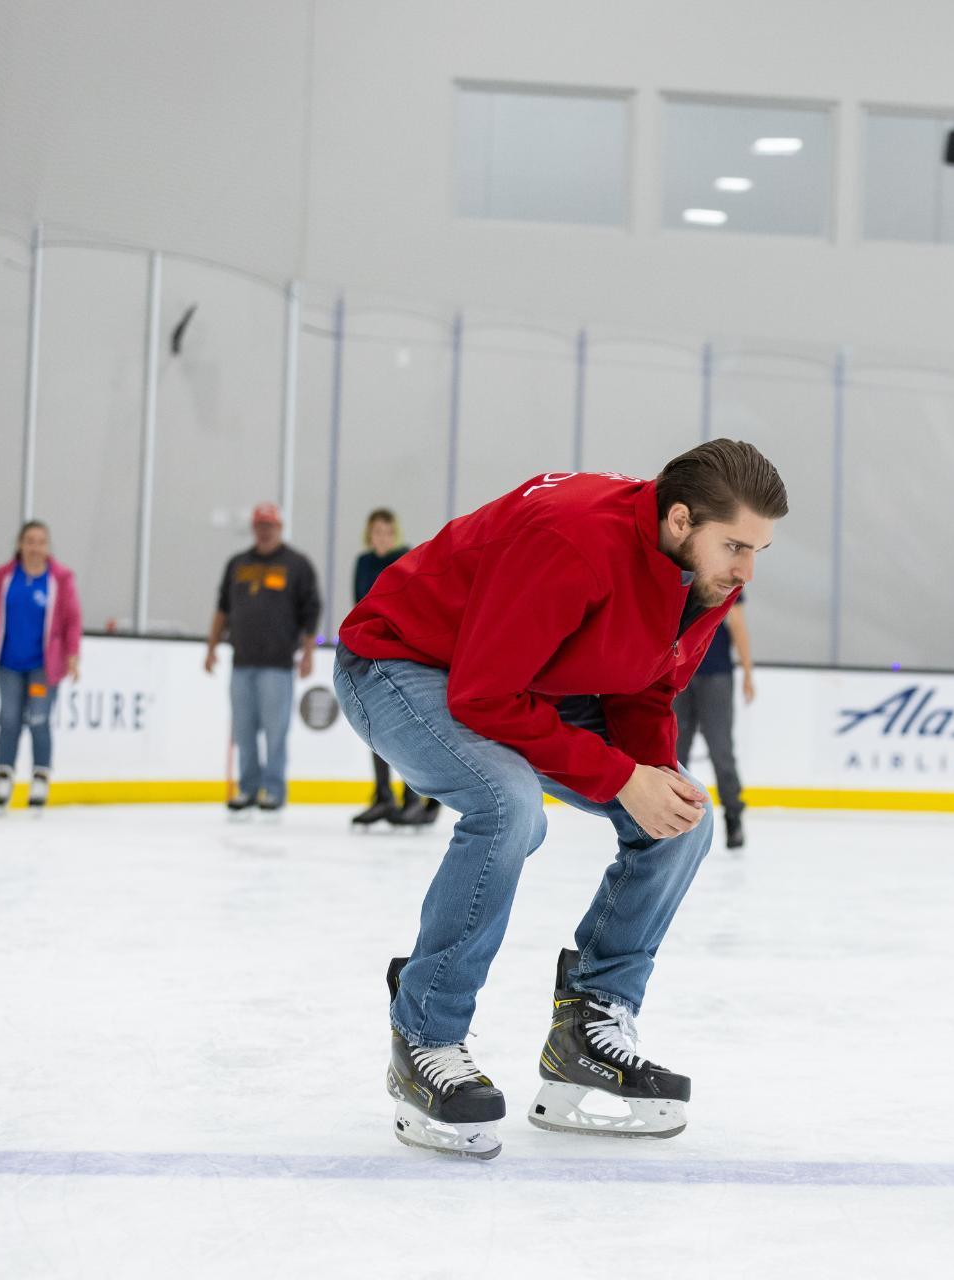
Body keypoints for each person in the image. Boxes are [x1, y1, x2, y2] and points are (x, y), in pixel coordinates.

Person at [335, 440, 786, 1158]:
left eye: (759, 549)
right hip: (403, 662)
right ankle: (426, 1034)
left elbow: (647, 686)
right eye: (736, 545)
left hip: (528, 679)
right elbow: (481, 693)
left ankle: (589, 1030)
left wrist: (648, 781)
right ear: (679, 521)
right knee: (508, 805)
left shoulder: (701, 577)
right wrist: (617, 778)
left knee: (681, 817)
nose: (747, 570)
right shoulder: (575, 543)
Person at [0, 521, 83, 811]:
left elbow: (72, 620)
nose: (34, 547)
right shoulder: (5, 576)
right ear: (20, 544)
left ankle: (40, 777)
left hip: (43, 665)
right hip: (9, 663)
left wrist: (73, 655)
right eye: (29, 541)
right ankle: (4, 777)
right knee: (9, 719)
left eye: (40, 541)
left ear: (47, 546)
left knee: (38, 719)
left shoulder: (60, 579)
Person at [205, 503, 319, 813]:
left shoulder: (297, 565)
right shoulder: (237, 564)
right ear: (254, 528)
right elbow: (223, 608)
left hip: (278, 665)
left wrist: (308, 654)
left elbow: (310, 612)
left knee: (275, 731)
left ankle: (273, 789)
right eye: (259, 525)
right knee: (243, 730)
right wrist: (212, 647)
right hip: (241, 662)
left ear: (279, 527)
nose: (264, 531)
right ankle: (248, 787)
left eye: (270, 525)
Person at [348, 508, 439, 830]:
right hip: (371, 650)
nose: (381, 537)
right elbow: (359, 604)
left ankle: (415, 798)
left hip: (401, 649)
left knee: (405, 728)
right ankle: (384, 796)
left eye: (387, 531)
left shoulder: (407, 558)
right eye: (376, 531)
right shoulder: (363, 562)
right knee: (376, 725)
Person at [672, 589, 753, 849]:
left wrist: (747, 671)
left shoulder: (725, 575)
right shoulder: (675, 571)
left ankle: (733, 815)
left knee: (720, 750)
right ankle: (674, 818)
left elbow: (737, 621)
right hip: (675, 672)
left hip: (715, 673)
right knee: (673, 752)